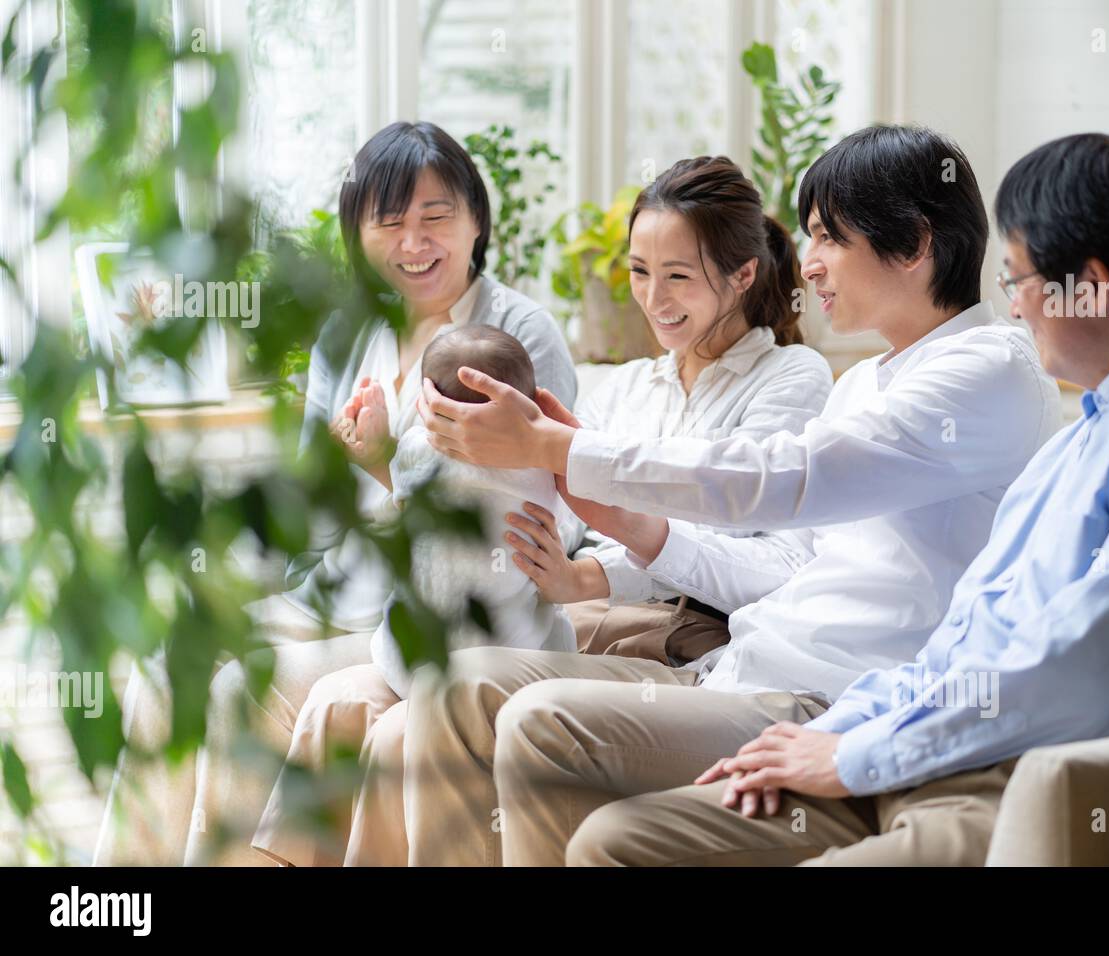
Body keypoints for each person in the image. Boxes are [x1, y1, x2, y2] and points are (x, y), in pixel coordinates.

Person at [558, 133, 1109, 866]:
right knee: (616, 841)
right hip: (932, 746)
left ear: (1095, 286)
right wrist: (847, 729)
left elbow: (1085, 668)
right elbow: (961, 641)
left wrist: (855, 753)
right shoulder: (1082, 440)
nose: (1013, 309)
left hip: (1044, 781)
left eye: (1018, 280)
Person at [398, 125, 1060, 865]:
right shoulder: (865, 382)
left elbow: (784, 477)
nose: (806, 266)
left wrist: (561, 450)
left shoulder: (988, 370)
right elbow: (782, 569)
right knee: (459, 684)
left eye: (827, 239)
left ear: (912, 243)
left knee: (541, 722)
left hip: (829, 699)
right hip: (740, 668)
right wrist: (627, 520)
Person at [93, 120, 577, 866]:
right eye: (389, 223)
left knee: (238, 696)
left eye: (435, 218)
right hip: (334, 590)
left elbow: (514, 505)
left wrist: (386, 465)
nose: (413, 243)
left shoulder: (518, 335)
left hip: (433, 616)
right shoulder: (345, 339)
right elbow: (314, 500)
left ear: (477, 221)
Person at [337, 155, 834, 865]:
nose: (654, 299)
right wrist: (455, 462)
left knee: (426, 713)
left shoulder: (791, 378)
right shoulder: (631, 387)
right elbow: (564, 512)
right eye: (639, 272)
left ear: (744, 274)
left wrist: (595, 576)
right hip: (582, 611)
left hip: (690, 628)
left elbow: (764, 555)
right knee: (390, 729)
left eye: (679, 276)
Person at [251, 327, 580, 866]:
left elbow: (410, 503)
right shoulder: (543, 464)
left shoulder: (419, 454)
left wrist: (380, 448)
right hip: (522, 653)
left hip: (429, 663)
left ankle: (289, 853)